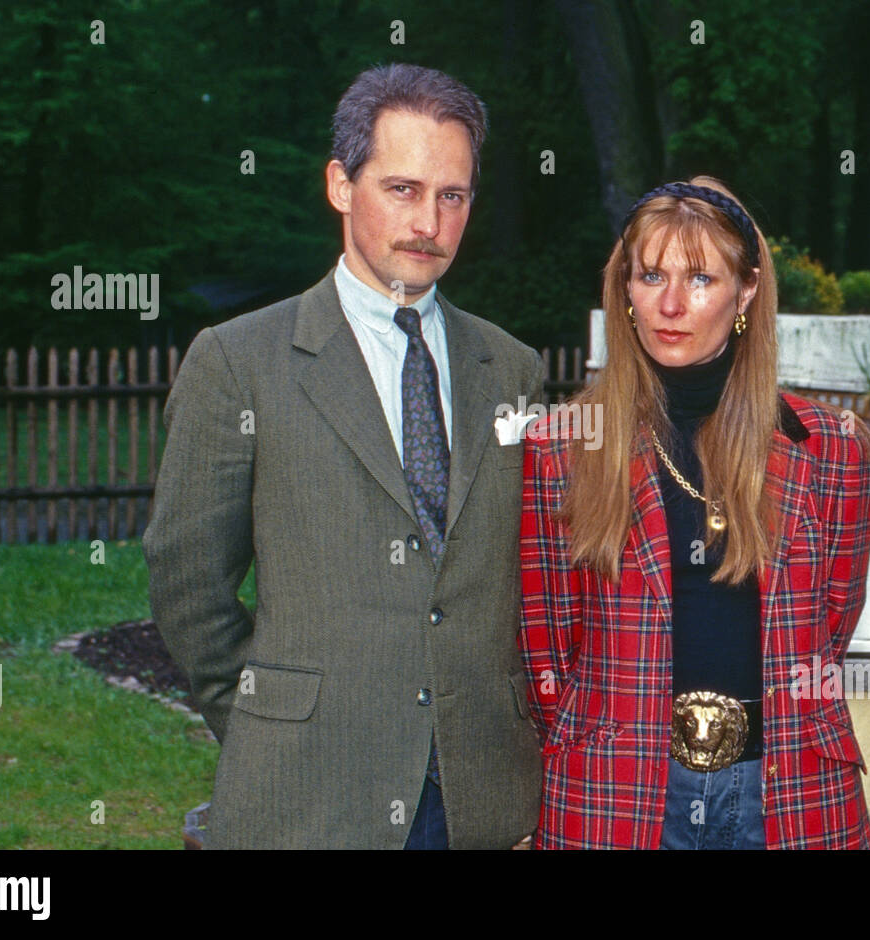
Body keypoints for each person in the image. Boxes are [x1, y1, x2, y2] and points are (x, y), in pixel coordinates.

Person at [143, 63, 544, 849]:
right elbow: (188, 580)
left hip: (476, 797)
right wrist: (272, 719)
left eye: (452, 195)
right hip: (308, 792)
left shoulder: (514, 368)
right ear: (339, 185)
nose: (429, 220)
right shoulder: (239, 361)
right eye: (402, 189)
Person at [518, 176, 870, 849]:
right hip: (616, 788)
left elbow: (831, 625)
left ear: (745, 293)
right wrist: (592, 739)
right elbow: (547, 646)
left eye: (701, 279)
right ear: (624, 288)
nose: (671, 304)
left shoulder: (832, 449)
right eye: (651, 274)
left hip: (787, 785)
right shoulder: (561, 445)